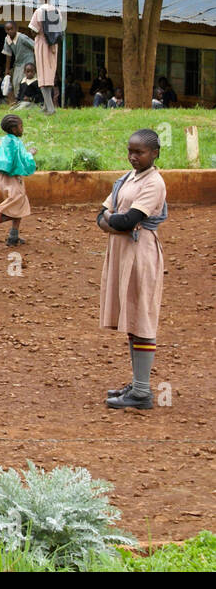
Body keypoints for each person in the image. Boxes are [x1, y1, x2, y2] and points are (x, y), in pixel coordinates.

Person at [99, 129, 168, 410]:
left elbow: (127, 220)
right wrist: (114, 220)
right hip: (125, 251)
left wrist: (112, 220)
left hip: (141, 254)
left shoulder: (154, 183)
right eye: (130, 151)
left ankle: (141, 392)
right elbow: (102, 216)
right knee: (132, 318)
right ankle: (138, 383)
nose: (133, 157)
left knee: (141, 317)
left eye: (139, 152)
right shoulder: (129, 178)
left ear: (155, 154)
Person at [0, 114, 35, 248]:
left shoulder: (5, 140)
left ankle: (13, 236)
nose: (22, 129)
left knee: (19, 205)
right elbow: (21, 160)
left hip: (4, 178)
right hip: (13, 178)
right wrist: (31, 154)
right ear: (14, 129)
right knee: (16, 205)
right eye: (21, 126)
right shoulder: (15, 143)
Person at [29, 0, 60, 114]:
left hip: (42, 43)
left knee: (42, 75)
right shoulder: (56, 10)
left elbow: (34, 29)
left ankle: (50, 108)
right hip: (53, 45)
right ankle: (47, 106)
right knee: (49, 74)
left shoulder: (39, 11)